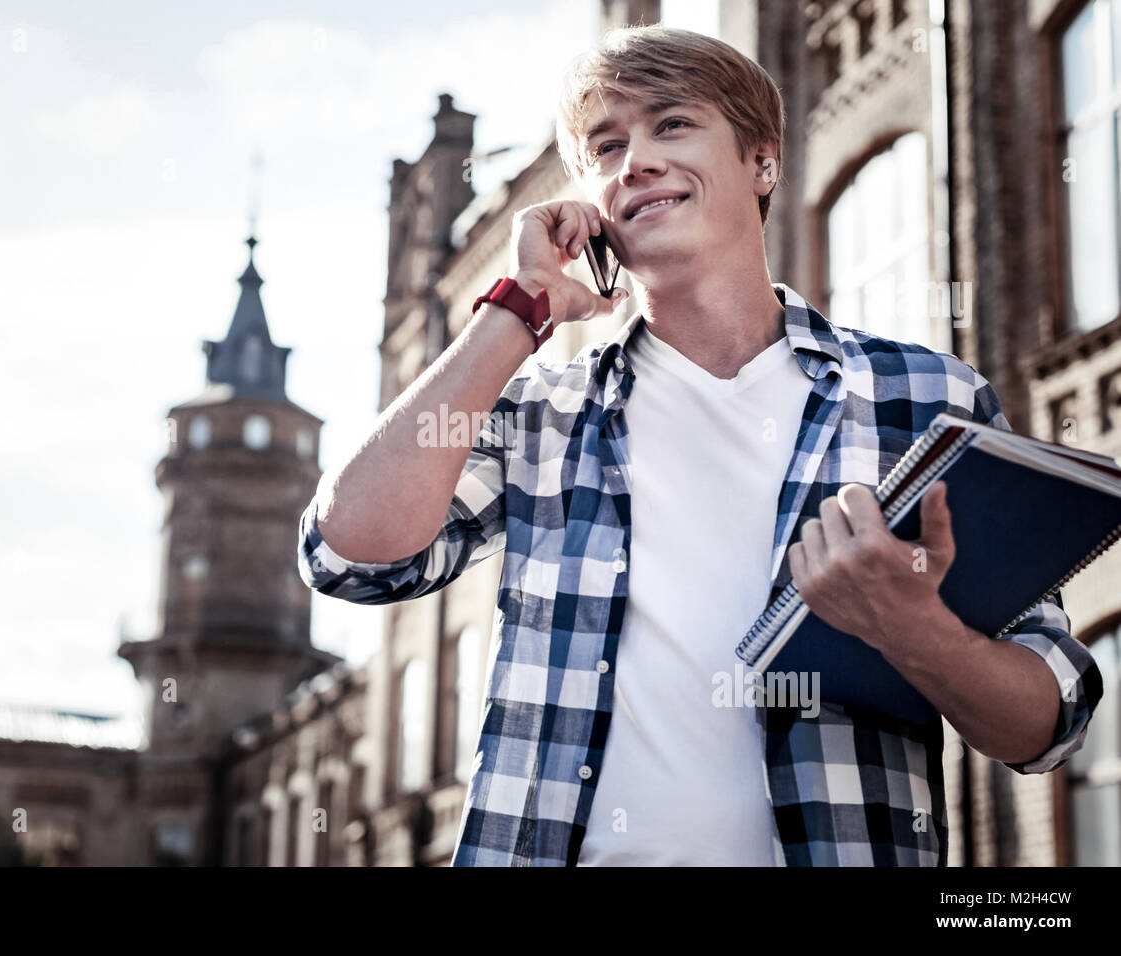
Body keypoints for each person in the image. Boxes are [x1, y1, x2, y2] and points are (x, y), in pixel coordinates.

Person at [297, 25, 1101, 866]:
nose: (634, 160)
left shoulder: (921, 399)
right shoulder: (544, 416)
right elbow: (347, 553)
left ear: (763, 161)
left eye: (672, 124)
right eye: (606, 147)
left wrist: (915, 631)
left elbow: (1048, 721)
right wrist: (518, 307)